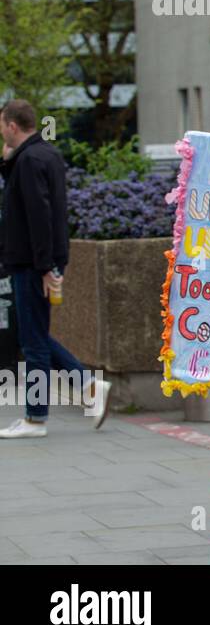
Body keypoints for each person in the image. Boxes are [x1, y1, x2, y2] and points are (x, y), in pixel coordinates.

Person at [0, 100, 109, 438]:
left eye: (1, 125)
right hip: (39, 261)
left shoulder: (31, 161)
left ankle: (36, 418)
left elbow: (39, 216)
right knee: (32, 334)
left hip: (32, 263)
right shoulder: (43, 154)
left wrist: (45, 266)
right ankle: (88, 386)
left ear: (12, 126)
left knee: (32, 342)